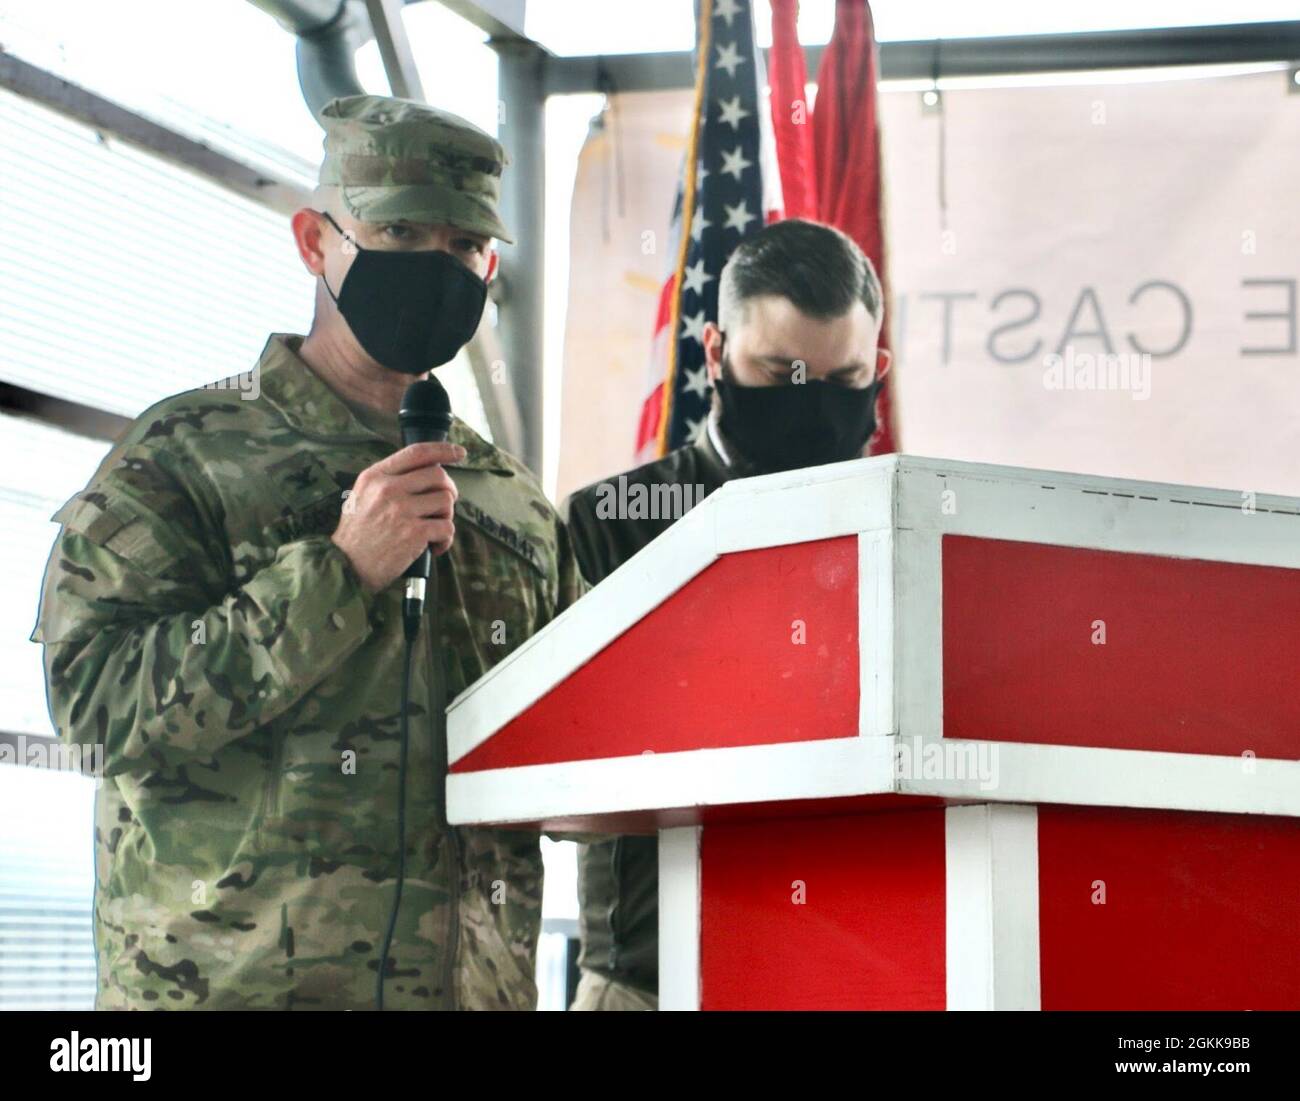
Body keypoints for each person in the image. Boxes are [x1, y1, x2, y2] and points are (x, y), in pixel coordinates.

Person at [31, 93, 586, 1010]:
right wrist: (336, 572)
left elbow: (579, 741)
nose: (436, 268)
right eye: (402, 232)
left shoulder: (512, 503)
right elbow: (93, 703)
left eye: (462, 247)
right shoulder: (184, 455)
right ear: (313, 241)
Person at [563, 218, 892, 1010]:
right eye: (781, 374)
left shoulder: (900, 527)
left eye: (842, 380)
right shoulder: (615, 521)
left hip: (856, 970)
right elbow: (570, 764)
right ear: (714, 354)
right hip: (653, 977)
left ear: (879, 369)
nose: (811, 408)